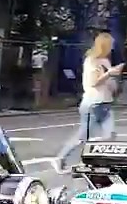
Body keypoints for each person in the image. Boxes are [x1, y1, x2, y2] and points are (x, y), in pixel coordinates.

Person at [52, 31, 122, 173]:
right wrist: (109, 73)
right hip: (92, 104)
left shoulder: (106, 61)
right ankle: (61, 158)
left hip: (106, 104)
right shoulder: (91, 61)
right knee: (82, 137)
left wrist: (114, 82)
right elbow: (93, 82)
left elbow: (108, 82)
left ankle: (95, 161)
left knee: (110, 135)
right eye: (110, 45)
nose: (112, 48)